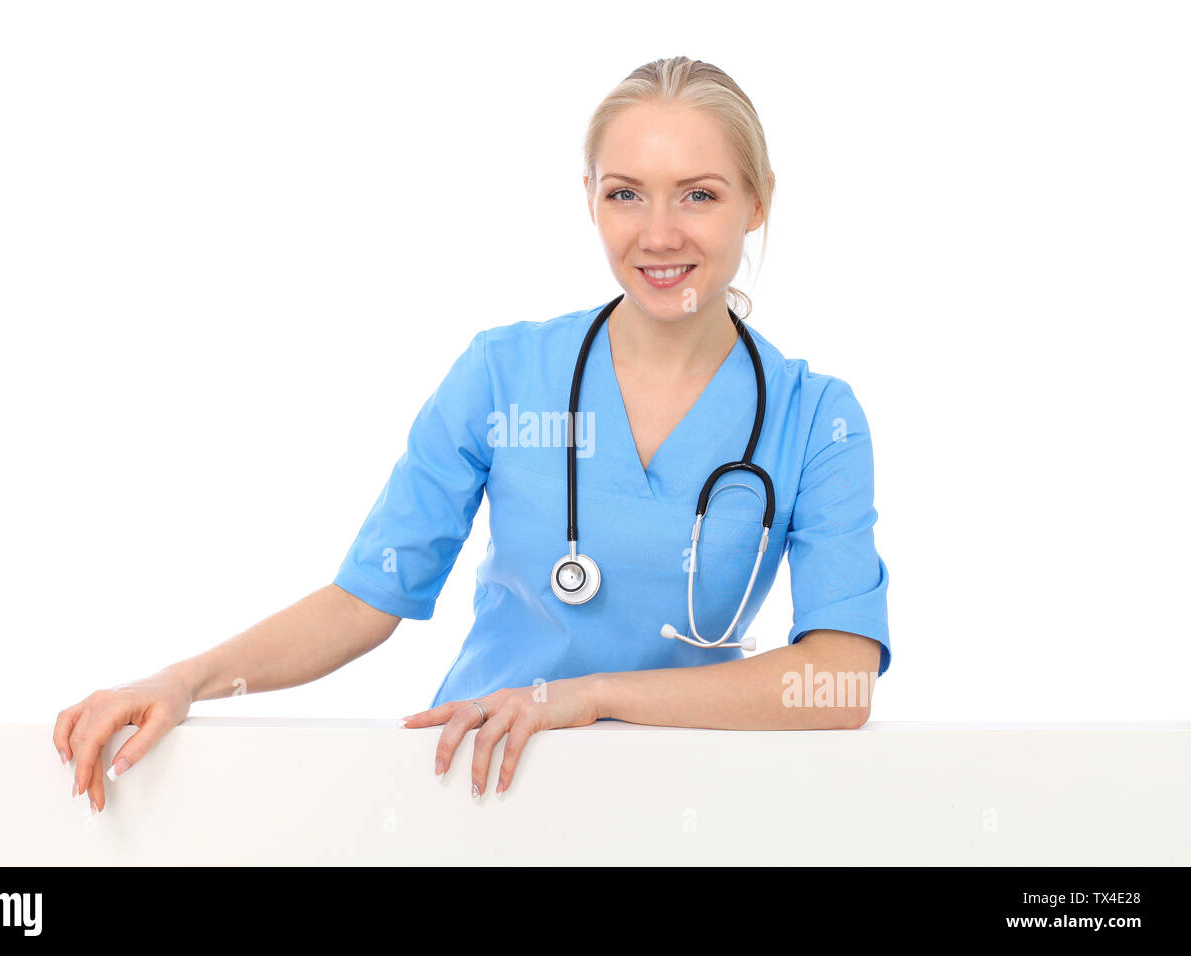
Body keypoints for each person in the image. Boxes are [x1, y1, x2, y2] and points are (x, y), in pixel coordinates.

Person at [55, 56, 890, 810]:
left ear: (759, 203)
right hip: (476, 798)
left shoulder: (817, 417)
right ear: (590, 199)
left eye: (699, 194)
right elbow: (363, 600)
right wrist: (184, 680)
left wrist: (588, 695)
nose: (658, 233)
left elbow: (840, 681)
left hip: (679, 809)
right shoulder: (502, 375)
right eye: (624, 192)